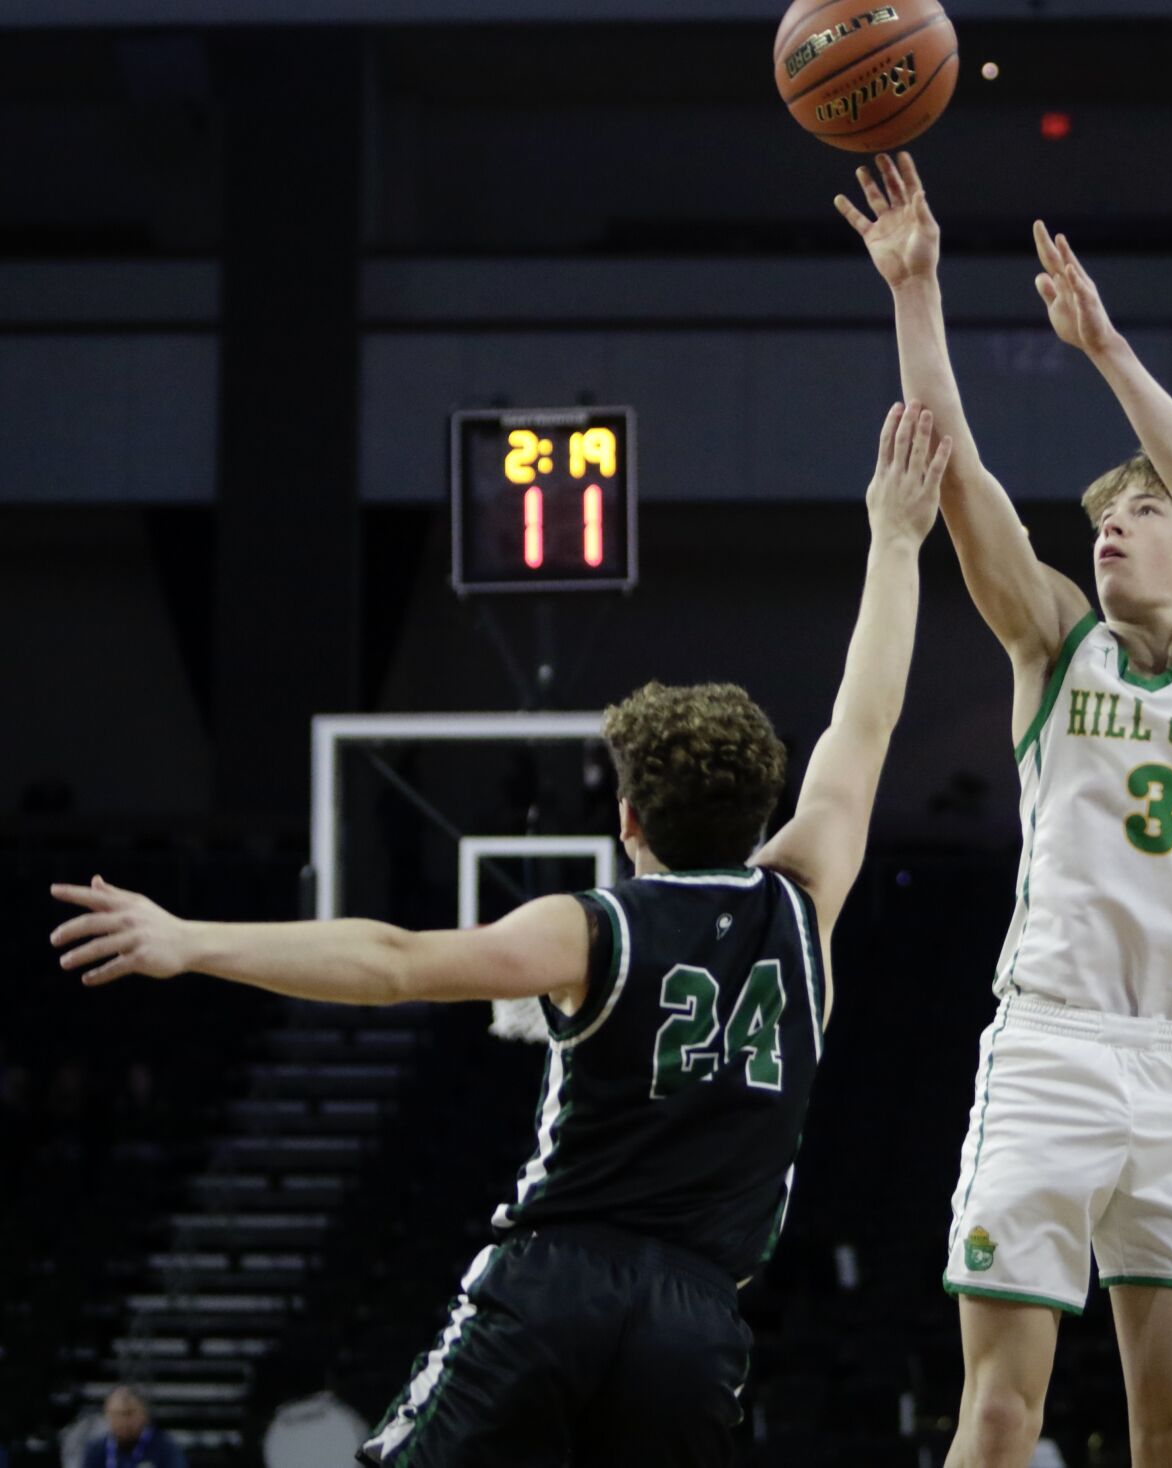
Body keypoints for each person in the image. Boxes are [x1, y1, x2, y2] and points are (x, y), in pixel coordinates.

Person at [52, 404, 952, 1468]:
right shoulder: (805, 904)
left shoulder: (589, 929)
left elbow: (390, 963)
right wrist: (896, 539)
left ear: (626, 819)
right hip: (696, 1313)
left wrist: (190, 940)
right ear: (764, 811)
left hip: (555, 1283)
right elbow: (865, 720)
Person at [837, 154, 1172, 1468]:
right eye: (1104, 516)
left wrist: (1103, 349)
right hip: (1051, 1049)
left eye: (1139, 515)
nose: (1111, 529)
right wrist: (915, 291)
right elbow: (963, 480)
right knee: (999, 1412)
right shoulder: (1056, 645)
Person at [81, 1388, 186, 1468]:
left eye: (129, 1413)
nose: (123, 1421)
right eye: (116, 1414)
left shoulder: (165, 1448)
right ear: (106, 1415)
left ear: (144, 1414)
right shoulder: (96, 1449)